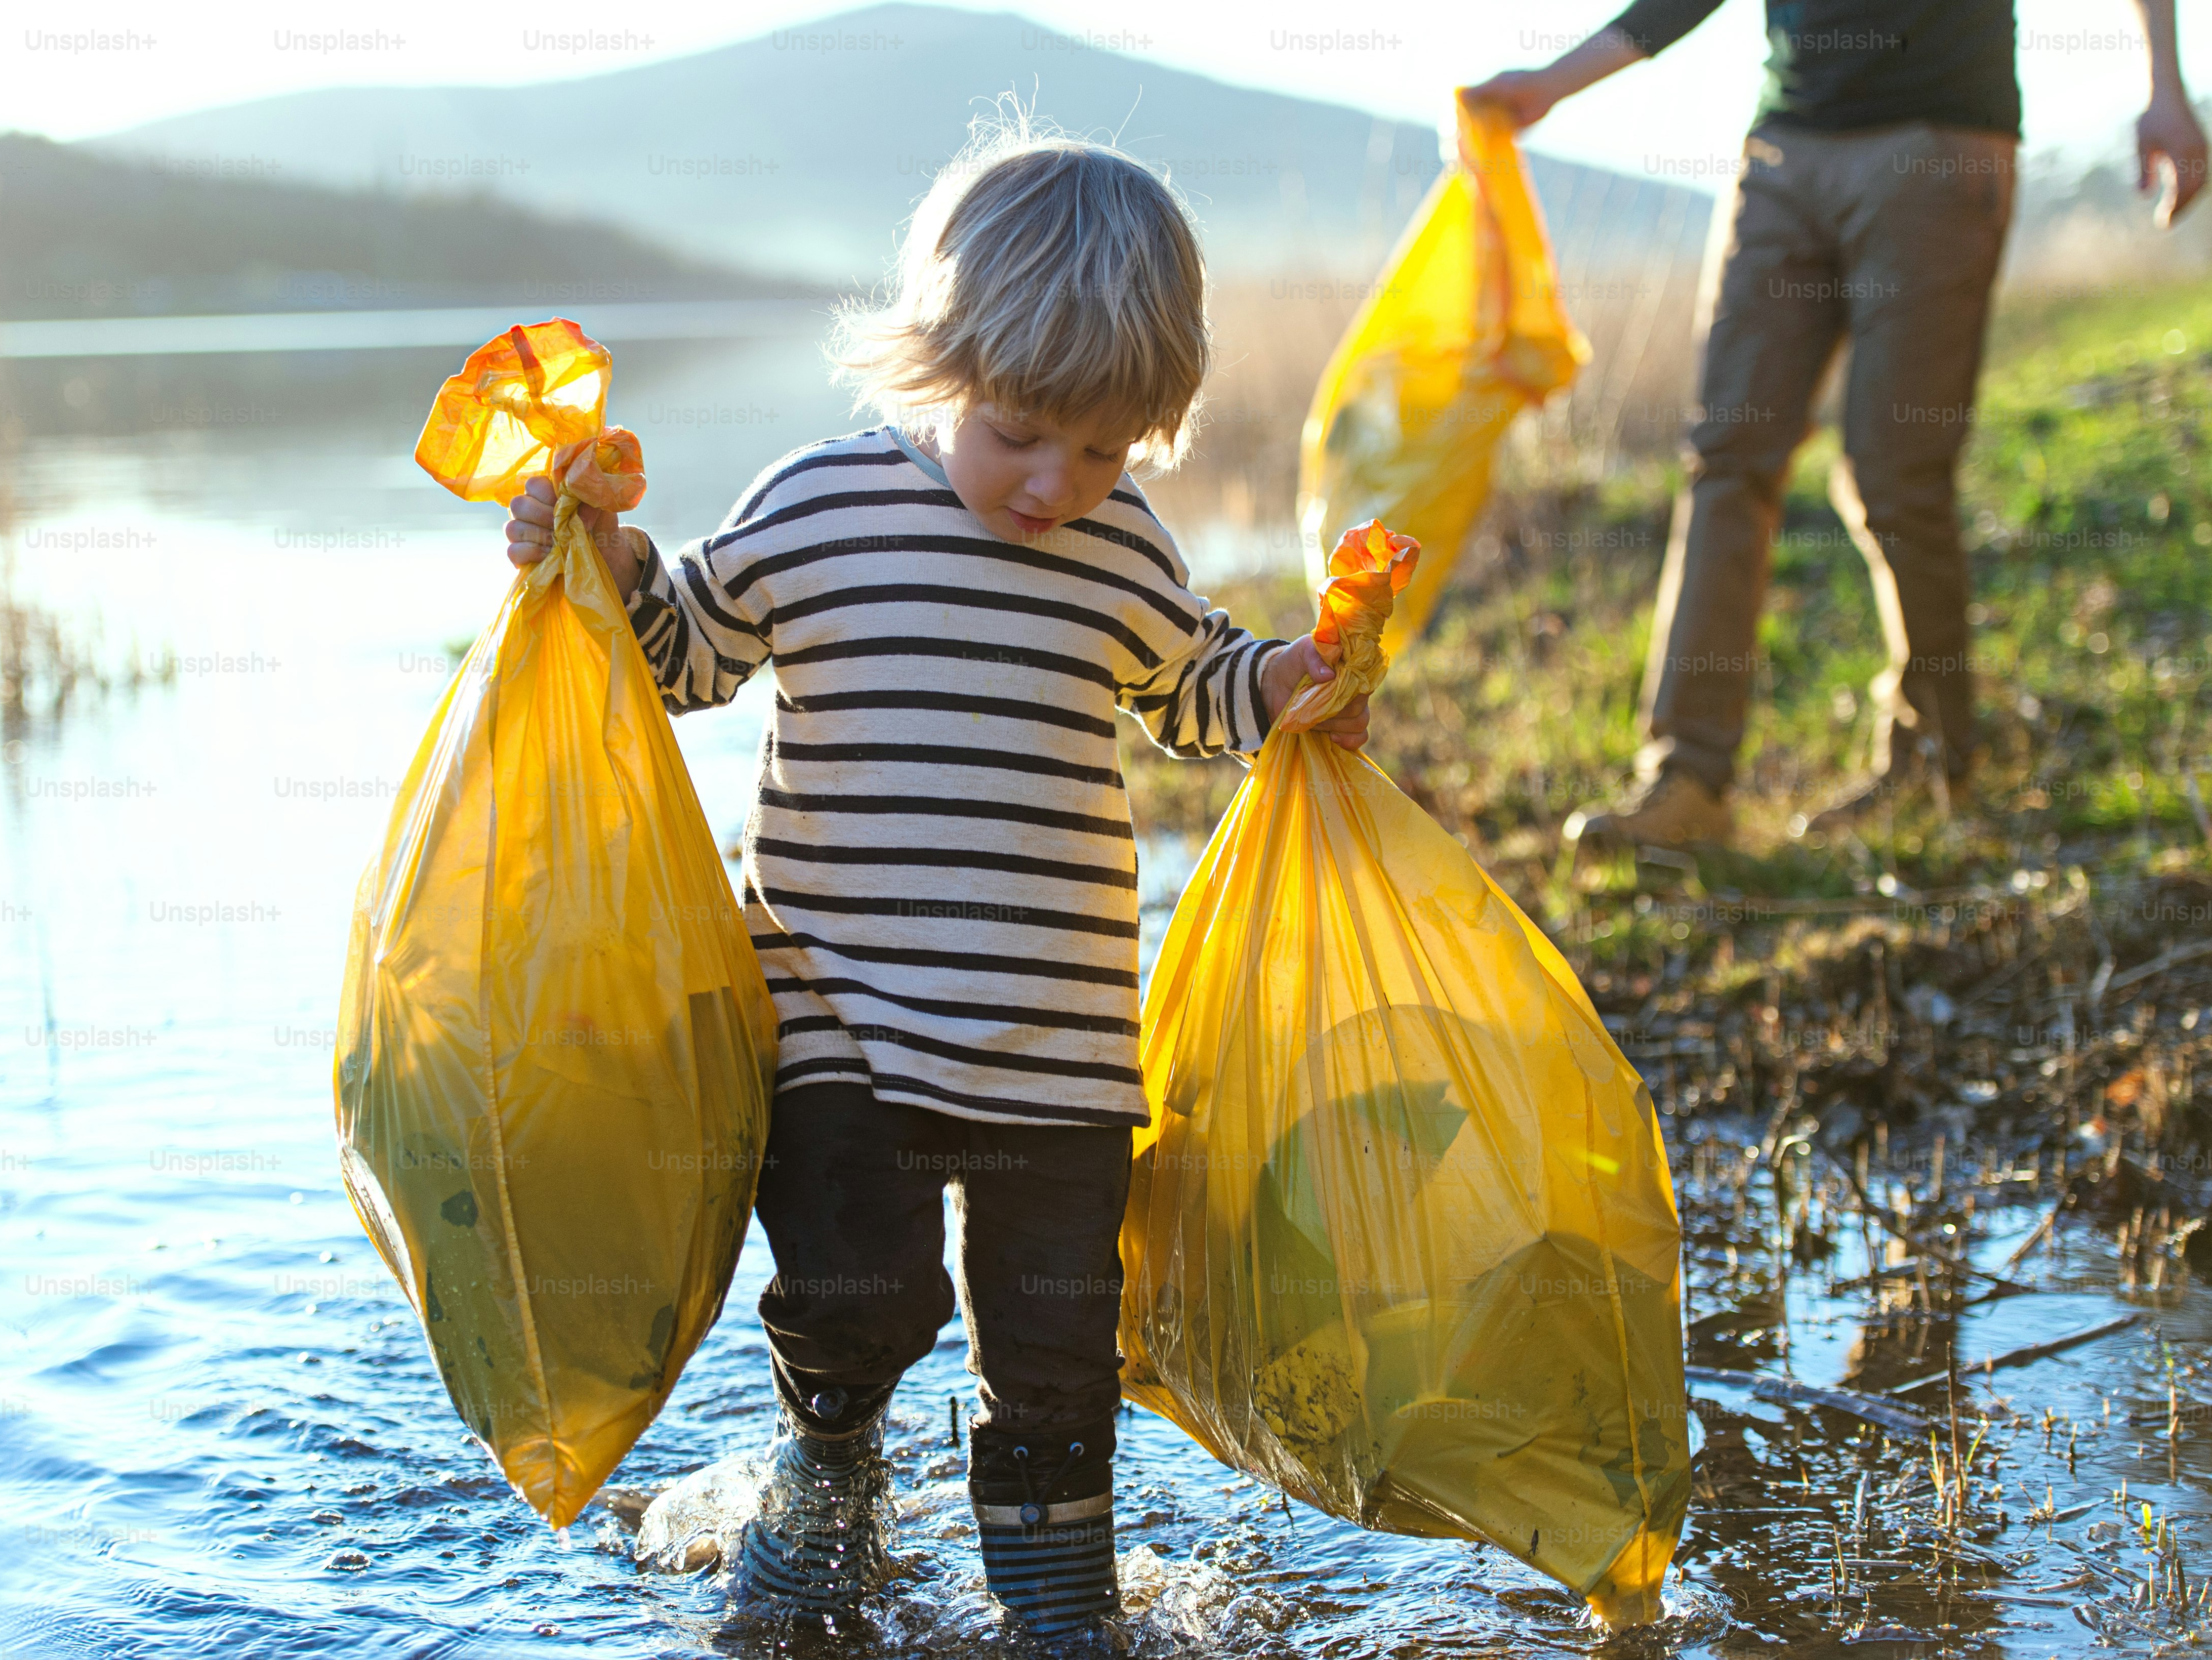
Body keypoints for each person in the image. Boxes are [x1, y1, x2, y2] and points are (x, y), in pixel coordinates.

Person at [501, 121, 1370, 1643]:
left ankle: (1058, 1589)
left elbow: (1196, 689)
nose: (1055, 483)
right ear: (941, 364)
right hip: (841, 1015)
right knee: (857, 1290)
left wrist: (1293, 681)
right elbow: (684, 655)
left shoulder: (1121, 548)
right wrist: (608, 562)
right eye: (1022, 431)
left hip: (1061, 1044)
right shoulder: (818, 507)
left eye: (1104, 450)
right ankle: (828, 1473)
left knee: (1058, 1340)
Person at [1468, 0, 2206, 846]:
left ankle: (1931, 762)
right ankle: (1685, 780)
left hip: (1937, 142)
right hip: (1786, 148)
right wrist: (1552, 83)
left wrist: (2165, 85)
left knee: (1895, 471)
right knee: (1727, 455)